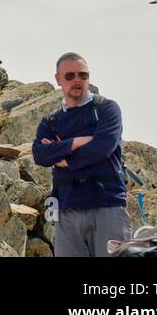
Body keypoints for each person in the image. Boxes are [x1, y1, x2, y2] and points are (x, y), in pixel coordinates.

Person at [32, 53, 131, 258]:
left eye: (83, 75)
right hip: (67, 209)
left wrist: (62, 156)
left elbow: (102, 149)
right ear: (58, 79)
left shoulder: (106, 109)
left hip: (107, 206)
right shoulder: (50, 121)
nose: (77, 80)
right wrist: (77, 142)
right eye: (70, 76)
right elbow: (40, 155)